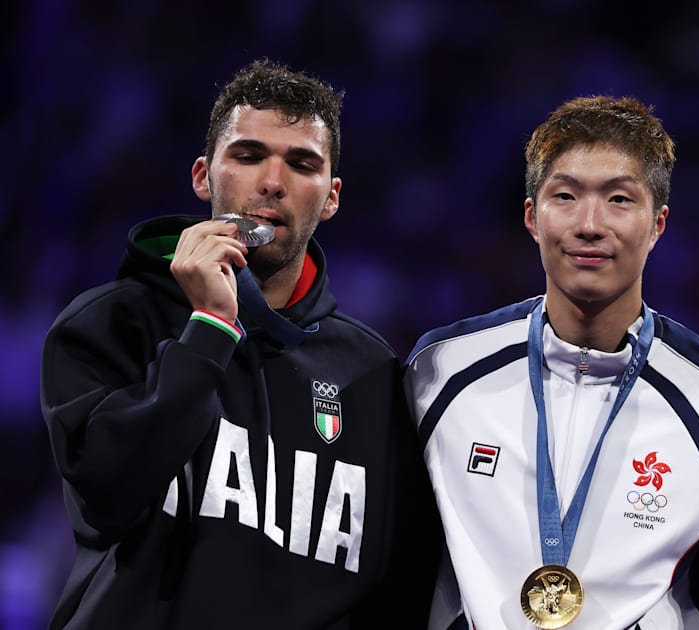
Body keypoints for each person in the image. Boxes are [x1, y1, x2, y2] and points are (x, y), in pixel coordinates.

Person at [40, 58, 439, 629]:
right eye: (249, 156)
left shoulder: (372, 372)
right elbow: (108, 499)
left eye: (302, 164)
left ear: (331, 197)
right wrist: (210, 328)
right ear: (204, 175)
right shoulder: (113, 322)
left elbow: (394, 589)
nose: (272, 182)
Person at [403, 95, 699, 629]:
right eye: (565, 195)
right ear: (532, 218)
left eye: (619, 200)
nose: (589, 224)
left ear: (657, 224)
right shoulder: (439, 374)